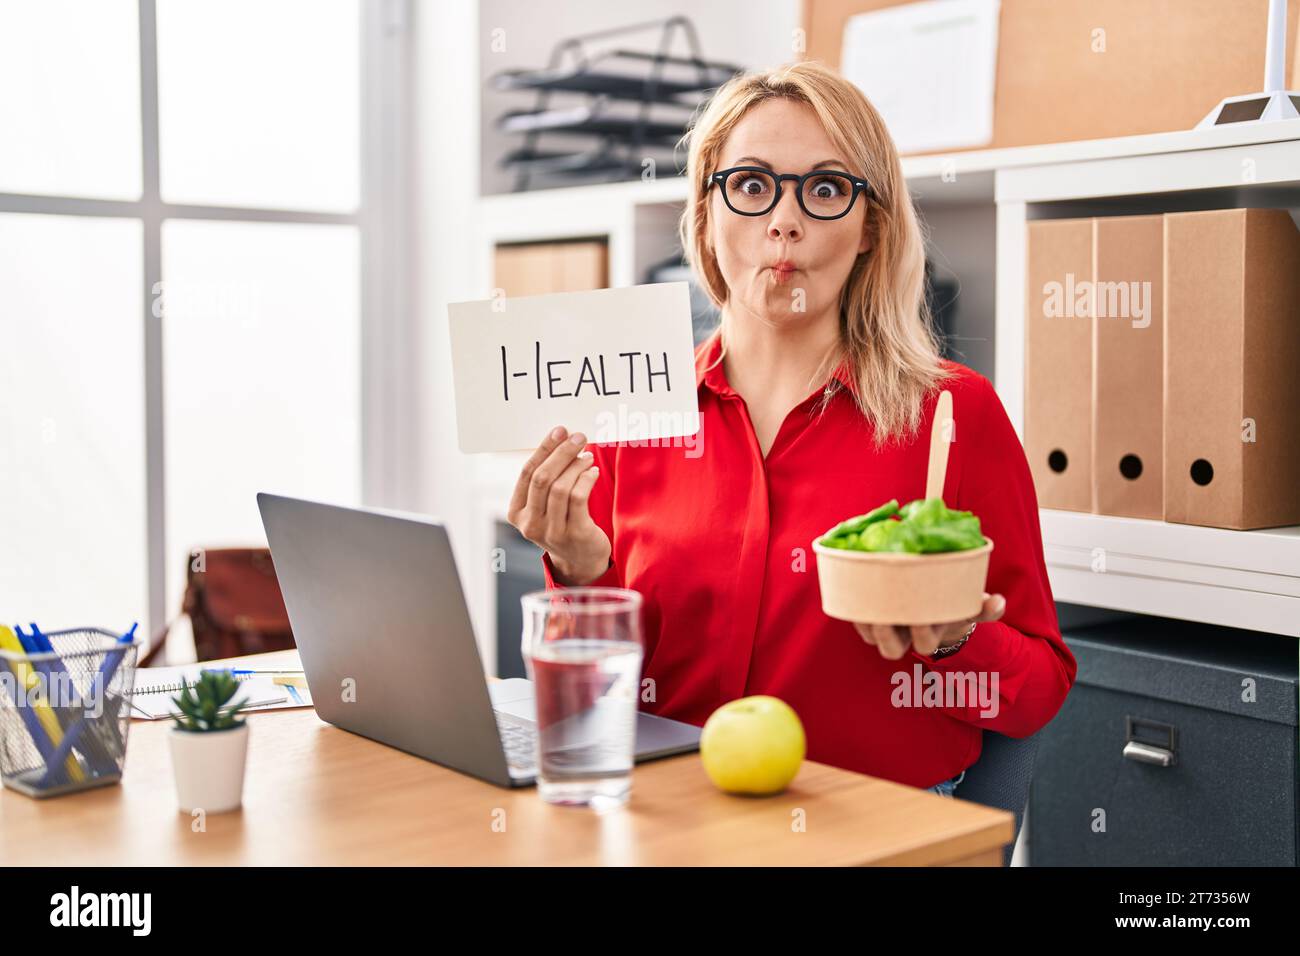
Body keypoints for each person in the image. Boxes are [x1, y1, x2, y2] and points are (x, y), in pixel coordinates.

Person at [506, 60, 1076, 796]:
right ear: (706, 215)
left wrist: (955, 639)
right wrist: (581, 571)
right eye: (750, 185)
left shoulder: (952, 417)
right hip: (672, 812)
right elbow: (612, 703)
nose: (784, 220)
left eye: (827, 188)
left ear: (871, 227)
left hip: (871, 833)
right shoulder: (631, 411)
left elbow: (1036, 695)